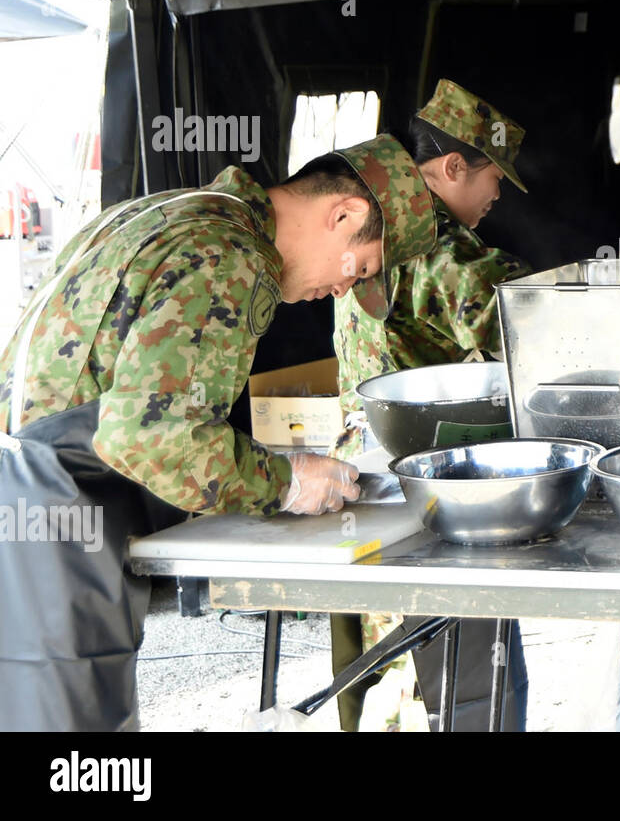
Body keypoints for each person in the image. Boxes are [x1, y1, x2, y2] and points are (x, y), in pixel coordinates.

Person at [0, 134, 436, 731]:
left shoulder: (170, 212)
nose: (340, 291)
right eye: (357, 269)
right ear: (344, 214)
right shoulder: (228, 255)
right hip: (50, 508)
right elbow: (151, 437)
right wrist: (287, 482)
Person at [330, 80, 531, 731]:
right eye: (493, 178)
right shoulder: (437, 242)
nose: (496, 197)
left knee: (370, 673)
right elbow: (528, 335)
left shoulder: (369, 220)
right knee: (455, 681)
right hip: (425, 495)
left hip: (357, 485)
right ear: (452, 168)